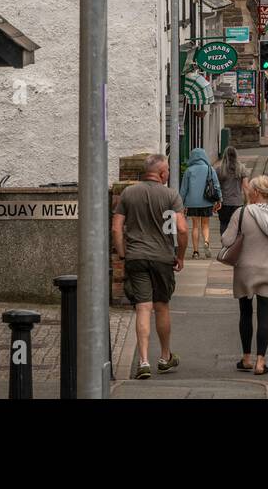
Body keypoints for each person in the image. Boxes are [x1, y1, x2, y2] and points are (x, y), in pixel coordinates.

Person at [112, 153, 187, 380]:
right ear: (162, 173)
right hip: (163, 258)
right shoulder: (171, 195)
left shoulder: (128, 193)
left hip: (135, 256)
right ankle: (164, 357)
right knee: (161, 306)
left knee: (142, 308)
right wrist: (180, 256)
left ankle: (143, 361)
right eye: (167, 172)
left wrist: (124, 254)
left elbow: (116, 229)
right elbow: (182, 229)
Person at [221, 174, 268, 375]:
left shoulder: (241, 213)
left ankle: (246, 358)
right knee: (265, 315)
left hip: (245, 270)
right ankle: (261, 362)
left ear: (256, 192)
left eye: (250, 188)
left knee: (246, 313)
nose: (247, 190)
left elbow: (226, 240)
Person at [180, 147, 220, 258]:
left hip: (192, 203)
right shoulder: (209, 169)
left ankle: (195, 252)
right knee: (206, 224)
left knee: (195, 226)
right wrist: (219, 199)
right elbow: (216, 185)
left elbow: (184, 189)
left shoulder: (189, 170)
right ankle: (206, 242)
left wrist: (181, 204)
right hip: (207, 202)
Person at [216, 146, 247, 232]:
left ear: (224, 156)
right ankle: (234, 244)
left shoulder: (219, 170)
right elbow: (246, 187)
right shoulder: (241, 169)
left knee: (224, 224)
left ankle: (224, 244)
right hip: (237, 203)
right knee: (237, 226)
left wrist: (216, 202)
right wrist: (247, 202)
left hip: (224, 203)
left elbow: (216, 188)